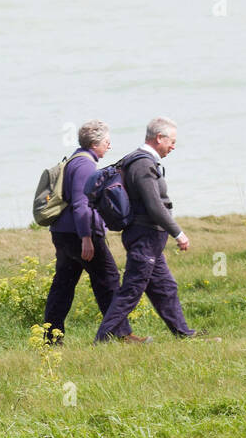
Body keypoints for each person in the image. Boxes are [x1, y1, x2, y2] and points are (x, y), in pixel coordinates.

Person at [95, 117, 207, 342]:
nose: (173, 146)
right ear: (159, 138)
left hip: (150, 238)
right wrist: (179, 233)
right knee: (132, 290)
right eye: (172, 141)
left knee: (165, 287)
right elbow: (154, 205)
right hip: (144, 236)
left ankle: (183, 334)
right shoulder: (143, 163)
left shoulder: (140, 160)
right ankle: (102, 340)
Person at [42, 120, 133, 343]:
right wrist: (86, 238)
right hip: (78, 233)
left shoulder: (74, 159)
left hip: (62, 231)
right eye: (107, 142)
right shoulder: (85, 166)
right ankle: (121, 335)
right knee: (109, 279)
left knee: (63, 285)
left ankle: (51, 339)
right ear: (95, 143)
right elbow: (81, 205)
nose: (109, 147)